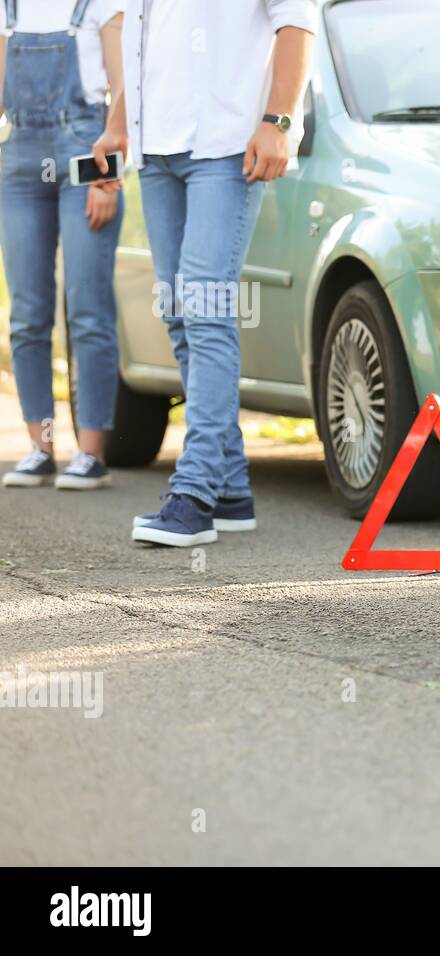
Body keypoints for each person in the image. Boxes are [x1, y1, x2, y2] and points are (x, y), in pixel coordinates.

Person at [93, 0, 316, 547]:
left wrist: (278, 121)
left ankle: (194, 496)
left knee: (207, 312)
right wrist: (118, 127)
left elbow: (298, 20)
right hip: (157, 151)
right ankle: (232, 489)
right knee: (178, 315)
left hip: (225, 146)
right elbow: (141, 45)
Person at [0, 0, 125, 491]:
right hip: (18, 161)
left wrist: (107, 178)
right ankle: (40, 447)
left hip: (85, 156)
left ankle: (90, 454)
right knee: (28, 313)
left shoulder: (99, 4)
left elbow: (122, 91)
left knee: (88, 308)